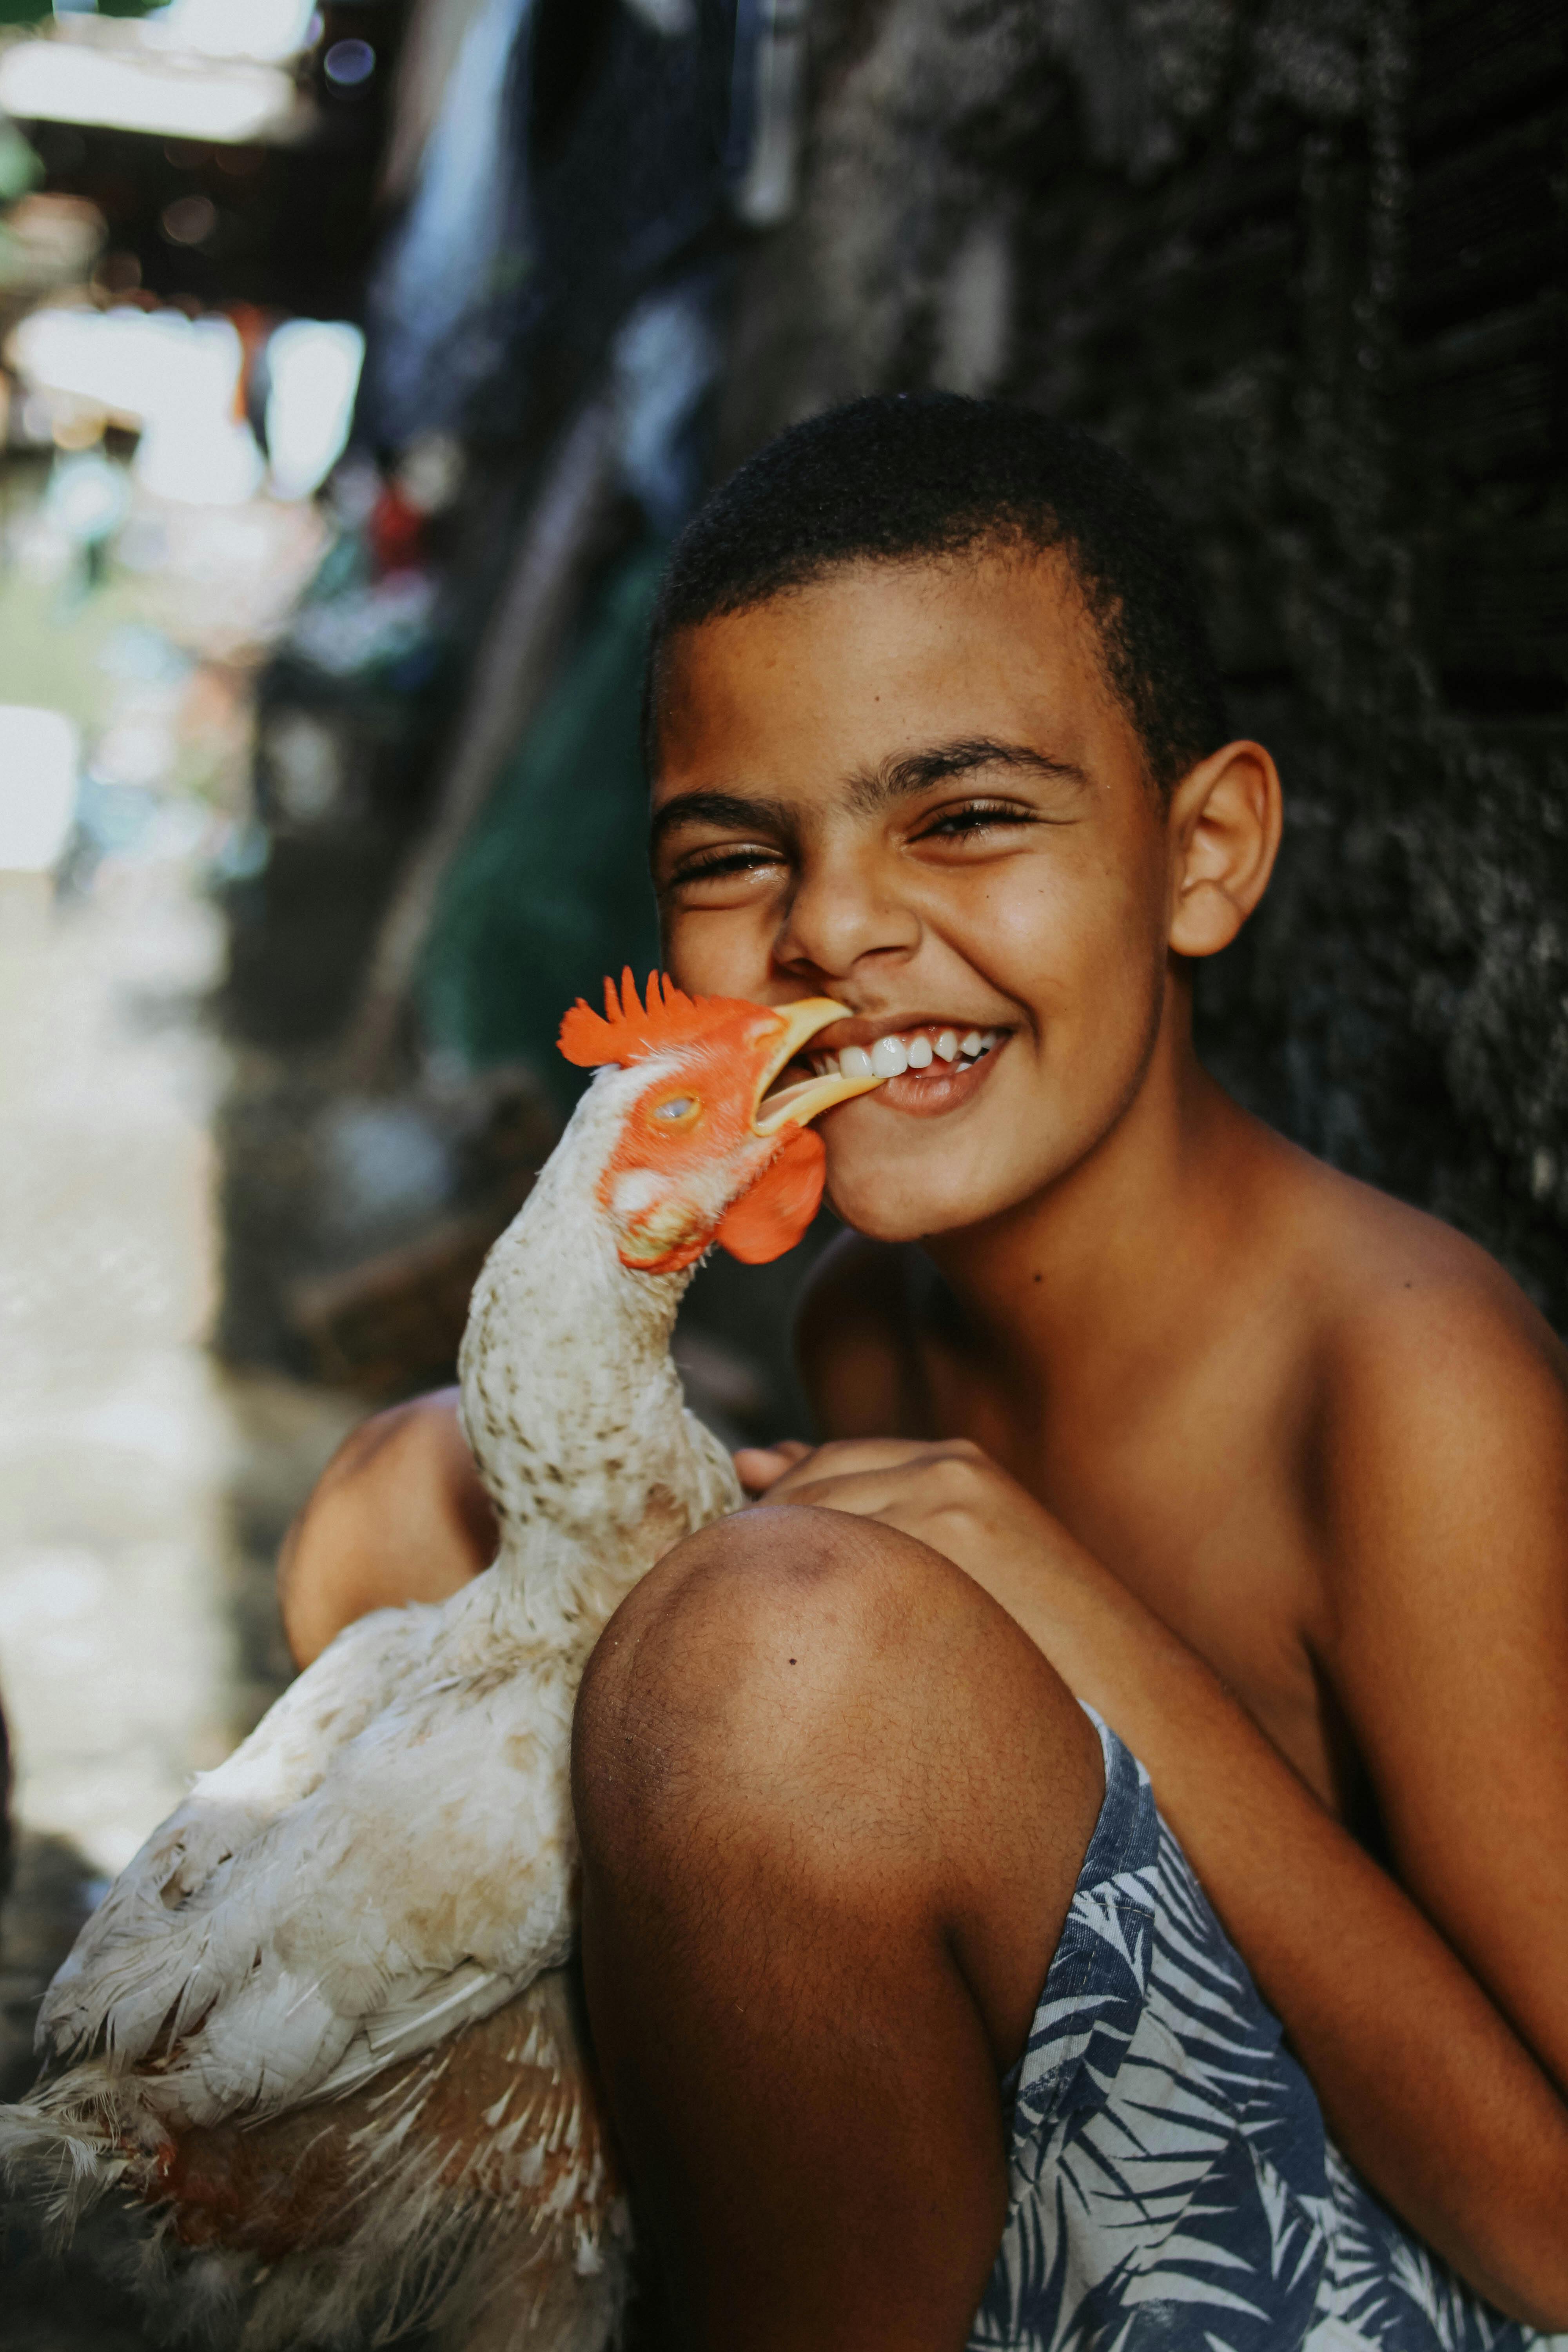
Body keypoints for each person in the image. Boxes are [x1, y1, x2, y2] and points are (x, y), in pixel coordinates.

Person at [278, 395, 1568, 2352]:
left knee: (785, 1644)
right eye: (734, 856)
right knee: (414, 1493)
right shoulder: (873, 1321)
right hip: (1010, 2224)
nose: (838, 929)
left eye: (961, 817)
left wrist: (1061, 1605)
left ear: (1202, 854)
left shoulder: (1404, 1383)